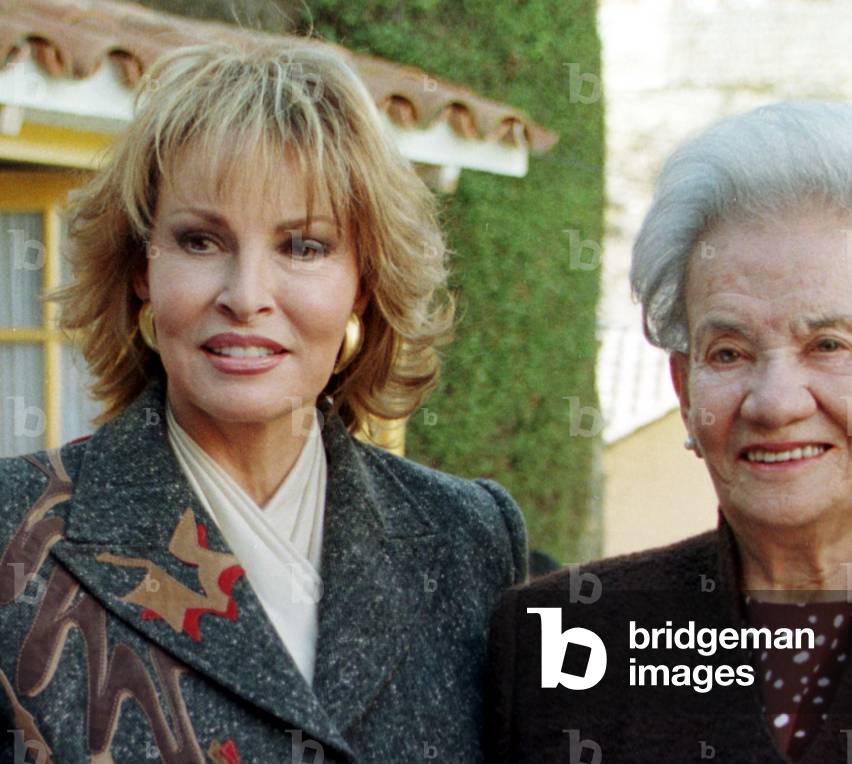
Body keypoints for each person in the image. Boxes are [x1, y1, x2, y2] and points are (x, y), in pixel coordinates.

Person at [0, 40, 526, 762]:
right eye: (200, 240)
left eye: (302, 247)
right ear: (141, 268)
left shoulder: (469, 539)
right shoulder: (14, 535)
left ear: (363, 281)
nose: (246, 296)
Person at [486, 102, 852, 762]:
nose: (773, 403)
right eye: (729, 353)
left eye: (827, 344)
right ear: (684, 389)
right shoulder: (562, 640)